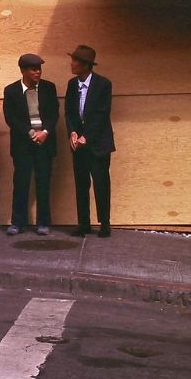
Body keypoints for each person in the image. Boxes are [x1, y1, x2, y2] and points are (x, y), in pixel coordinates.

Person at [2, 54, 59, 236]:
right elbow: (11, 118)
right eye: (34, 69)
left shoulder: (49, 88)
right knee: (21, 182)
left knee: (43, 183)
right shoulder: (11, 91)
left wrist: (45, 132)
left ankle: (43, 222)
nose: (38, 72)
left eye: (39, 69)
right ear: (23, 71)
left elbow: (54, 114)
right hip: (23, 144)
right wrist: (30, 132)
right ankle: (18, 222)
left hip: (45, 142)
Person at [64, 45, 116, 238]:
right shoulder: (71, 84)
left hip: (98, 144)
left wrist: (88, 136)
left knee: (101, 183)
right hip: (79, 145)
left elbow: (102, 114)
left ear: (86, 65)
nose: (72, 64)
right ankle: (83, 223)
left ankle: (105, 223)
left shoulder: (103, 84)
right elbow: (69, 112)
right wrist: (73, 132)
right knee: (81, 183)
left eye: (76, 61)